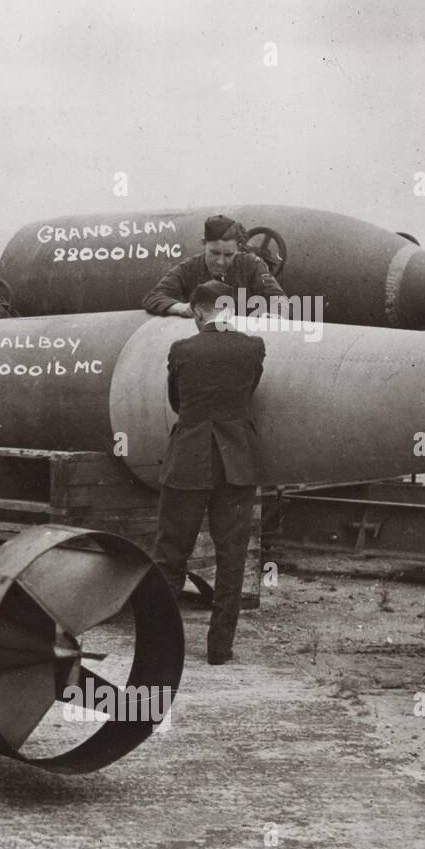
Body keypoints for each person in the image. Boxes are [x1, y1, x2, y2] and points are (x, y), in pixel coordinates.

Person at [151, 280, 266, 666]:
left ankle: (163, 645)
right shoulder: (253, 348)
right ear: (229, 310)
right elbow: (249, 393)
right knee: (231, 556)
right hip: (237, 463)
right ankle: (219, 649)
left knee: (171, 554)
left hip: (189, 461)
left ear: (199, 311)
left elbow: (177, 401)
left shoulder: (182, 349)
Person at [143, 214, 287, 317]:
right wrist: (180, 308)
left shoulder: (252, 265)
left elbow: (279, 299)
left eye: (228, 255)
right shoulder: (188, 268)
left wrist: (276, 316)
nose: (220, 261)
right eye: (215, 253)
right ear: (203, 244)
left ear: (238, 248)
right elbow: (154, 296)